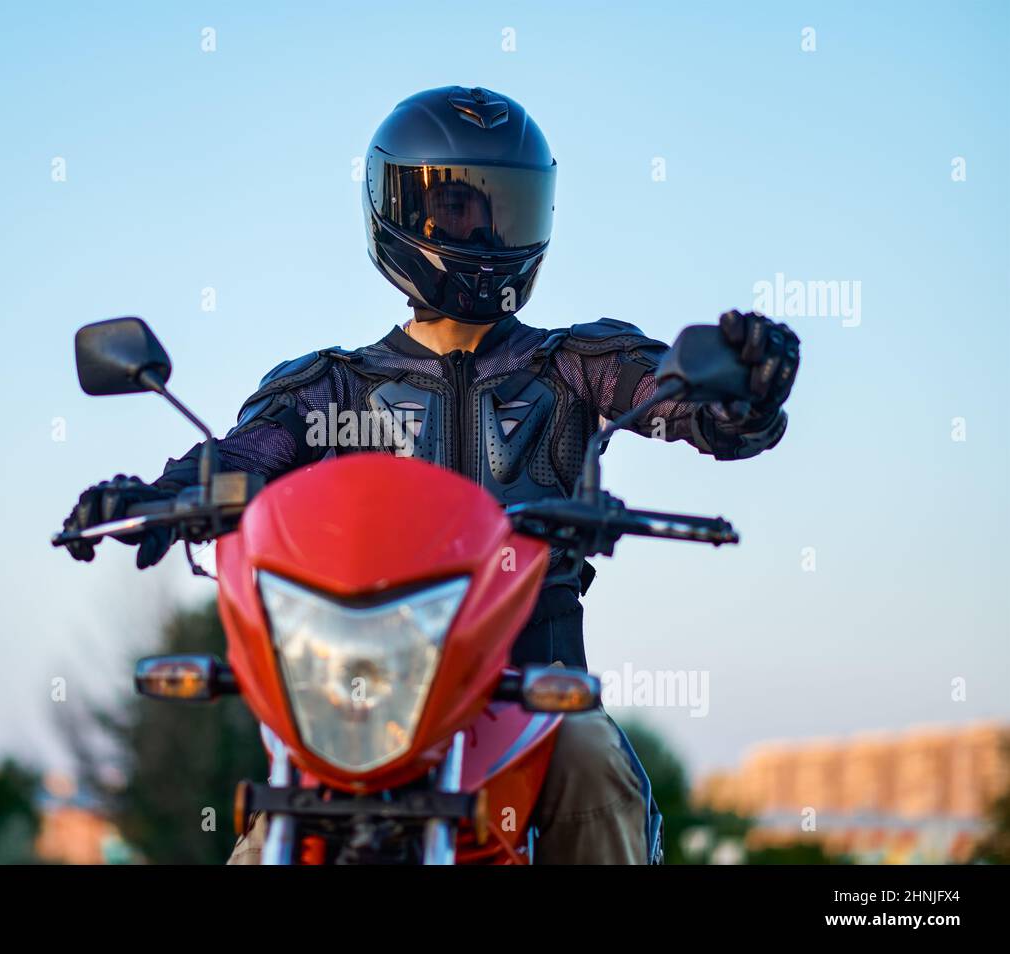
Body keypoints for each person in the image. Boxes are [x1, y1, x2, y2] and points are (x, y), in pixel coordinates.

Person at [59, 86, 800, 864]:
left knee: (592, 758)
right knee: (265, 837)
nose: (484, 230)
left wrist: (744, 392)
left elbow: (673, 402)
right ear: (400, 211)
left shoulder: (578, 366)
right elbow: (251, 452)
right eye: (457, 207)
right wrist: (170, 491)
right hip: (364, 697)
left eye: (505, 207)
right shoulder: (330, 384)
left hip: (530, 695)